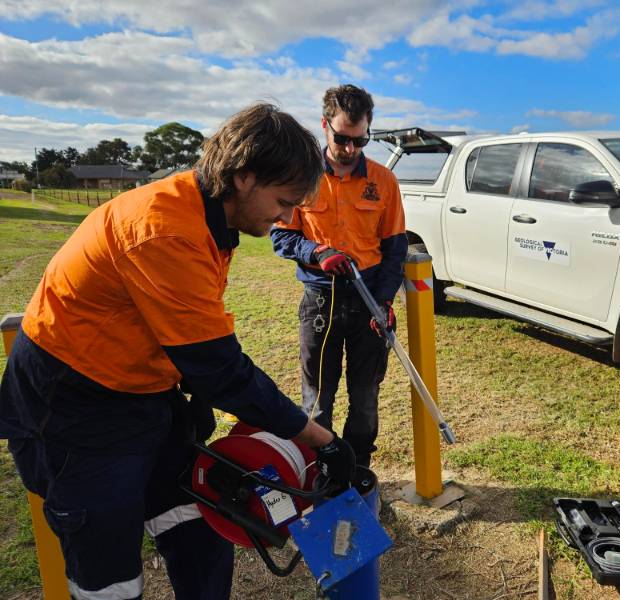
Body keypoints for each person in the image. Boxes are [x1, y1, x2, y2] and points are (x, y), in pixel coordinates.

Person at [0, 103, 356, 600]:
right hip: (74, 402)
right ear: (244, 177)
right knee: (109, 570)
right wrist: (319, 439)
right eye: (283, 199)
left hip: (146, 391)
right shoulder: (165, 228)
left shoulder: (210, 218)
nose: (288, 216)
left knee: (201, 519)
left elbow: (193, 344)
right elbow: (218, 367)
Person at [271, 84, 407, 468]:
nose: (350, 149)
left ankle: (357, 466)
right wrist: (316, 251)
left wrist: (383, 302)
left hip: (368, 301)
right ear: (324, 126)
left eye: (359, 140)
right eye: (342, 138)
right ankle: (321, 465)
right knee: (318, 394)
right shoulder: (301, 177)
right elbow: (280, 236)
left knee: (365, 395)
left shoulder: (384, 182)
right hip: (321, 299)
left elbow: (395, 248)